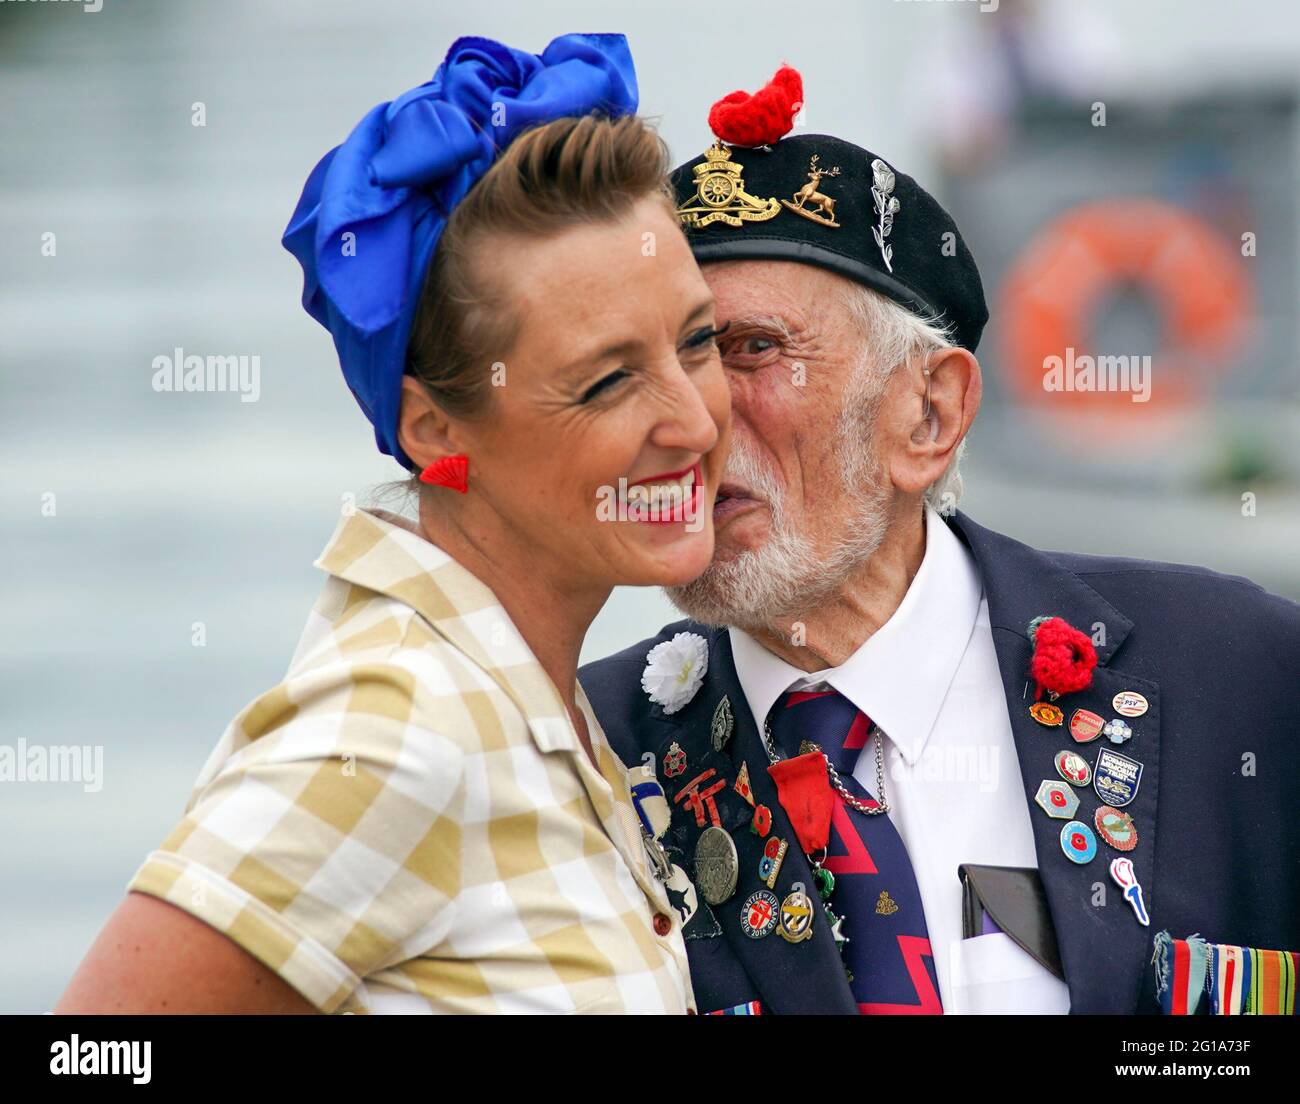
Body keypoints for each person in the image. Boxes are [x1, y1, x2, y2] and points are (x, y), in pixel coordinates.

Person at [578, 67, 1300, 1016]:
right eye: (651, 369)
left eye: (748, 350)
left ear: (930, 412)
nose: (687, 421)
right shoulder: (579, 758)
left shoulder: (1239, 671)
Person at [55, 32, 732, 1015]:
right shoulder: (395, 730)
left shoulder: (527, 698)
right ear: (433, 427)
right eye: (606, 381)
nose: (696, 418)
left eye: (698, 340)